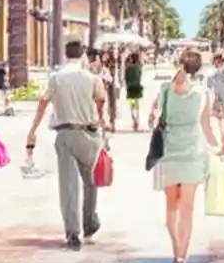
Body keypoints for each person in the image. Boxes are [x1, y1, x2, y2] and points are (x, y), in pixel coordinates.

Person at [27, 40, 113, 250]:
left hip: (64, 133)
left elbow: (43, 101)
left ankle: (72, 232)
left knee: (68, 185)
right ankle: (89, 223)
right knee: (91, 181)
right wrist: (103, 121)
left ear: (65, 54)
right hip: (89, 133)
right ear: (82, 53)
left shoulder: (56, 78)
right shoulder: (92, 78)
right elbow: (101, 101)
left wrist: (33, 129)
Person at [153, 50, 219, 263]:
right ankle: (182, 255)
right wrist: (219, 149)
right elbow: (207, 126)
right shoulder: (203, 93)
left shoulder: (164, 90)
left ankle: (175, 248)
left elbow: (153, 118)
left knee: (171, 204)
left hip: (169, 151)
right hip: (193, 152)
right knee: (187, 207)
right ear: (198, 68)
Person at [206, 53, 224, 158]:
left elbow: (208, 88)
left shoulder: (214, 74)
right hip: (223, 101)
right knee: (222, 124)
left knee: (221, 124)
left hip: (220, 101)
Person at [125, 51, 144, 132]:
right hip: (137, 86)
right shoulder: (139, 66)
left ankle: (133, 119)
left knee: (131, 103)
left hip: (130, 87)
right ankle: (137, 118)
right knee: (137, 103)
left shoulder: (128, 67)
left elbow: (126, 78)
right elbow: (140, 76)